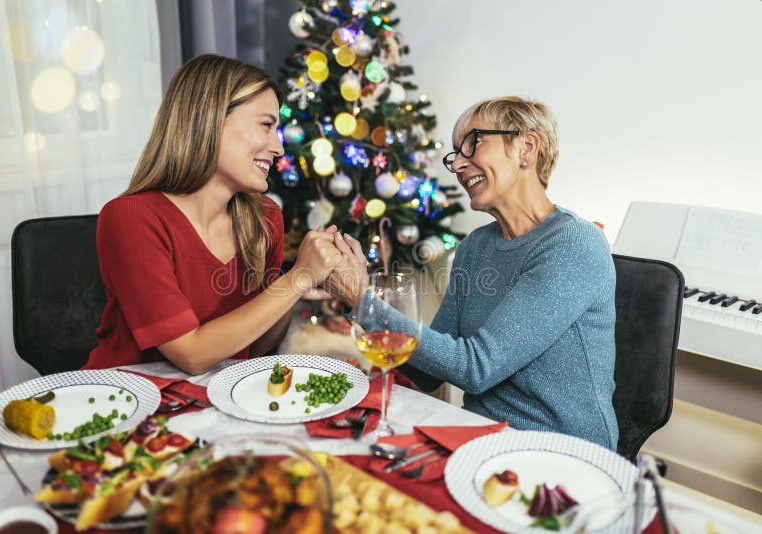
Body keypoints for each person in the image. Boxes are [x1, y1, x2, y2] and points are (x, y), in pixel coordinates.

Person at [326, 97, 618, 449]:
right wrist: (350, 298)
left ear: (526, 147)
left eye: (473, 143)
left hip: (559, 452)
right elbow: (428, 373)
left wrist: (364, 301)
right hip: (479, 437)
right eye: (455, 155)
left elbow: (476, 368)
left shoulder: (573, 244)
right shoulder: (475, 247)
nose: (459, 165)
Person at [83, 54, 342, 374]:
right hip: (127, 404)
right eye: (266, 126)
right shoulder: (131, 218)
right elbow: (191, 354)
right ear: (209, 119)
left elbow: (255, 347)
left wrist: (301, 287)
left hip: (215, 403)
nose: (278, 148)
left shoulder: (265, 218)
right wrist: (297, 278)